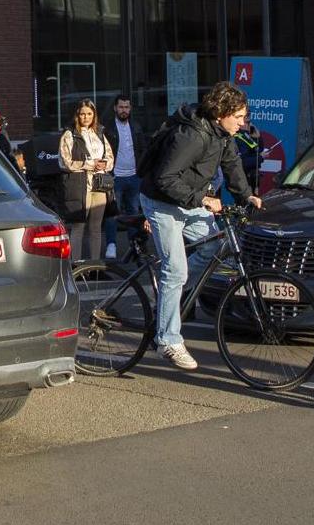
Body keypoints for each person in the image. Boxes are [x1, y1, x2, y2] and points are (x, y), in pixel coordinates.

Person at [142, 82, 264, 371]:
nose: (242, 123)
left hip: (189, 199)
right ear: (221, 113)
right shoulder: (193, 136)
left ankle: (170, 298)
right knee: (176, 270)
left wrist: (246, 196)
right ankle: (168, 340)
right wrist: (203, 200)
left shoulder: (222, 135)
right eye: (238, 116)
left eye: (244, 117)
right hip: (161, 202)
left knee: (215, 244)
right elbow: (164, 179)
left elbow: (232, 165)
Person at [58, 99, 113, 262]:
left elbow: (110, 157)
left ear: (94, 115)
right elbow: (64, 162)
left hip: (100, 184)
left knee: (96, 228)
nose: (86, 117)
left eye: (89, 114)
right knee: (79, 226)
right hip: (80, 184)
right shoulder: (69, 134)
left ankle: (95, 266)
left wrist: (104, 164)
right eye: (82, 114)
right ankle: (76, 266)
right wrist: (90, 164)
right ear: (77, 115)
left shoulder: (99, 133)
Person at [107, 96, 146, 232]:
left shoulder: (136, 126)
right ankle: (111, 242)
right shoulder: (108, 128)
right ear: (115, 108)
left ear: (130, 109)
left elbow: (143, 149)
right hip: (115, 176)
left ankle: (134, 242)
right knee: (112, 212)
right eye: (121, 107)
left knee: (134, 212)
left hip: (134, 176)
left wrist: (141, 171)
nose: (124, 110)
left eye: (126, 107)